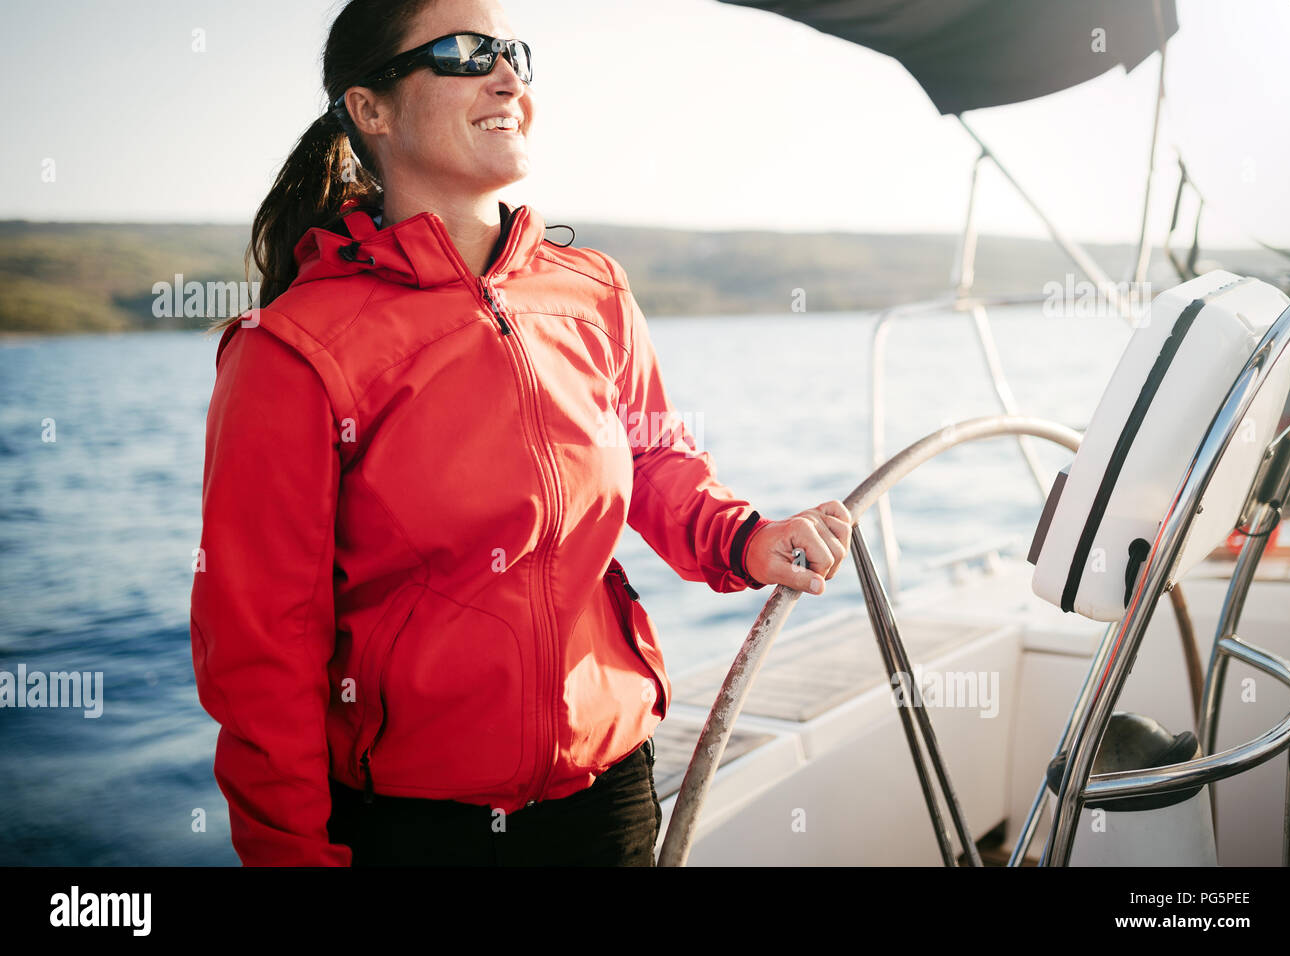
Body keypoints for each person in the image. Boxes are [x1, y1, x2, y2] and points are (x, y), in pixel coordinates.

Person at [190, 0, 852, 867]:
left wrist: (746, 539)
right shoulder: (294, 349)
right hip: (417, 828)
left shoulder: (593, 290)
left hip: (608, 788)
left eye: (513, 54)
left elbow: (654, 457)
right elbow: (261, 645)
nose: (508, 78)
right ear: (370, 108)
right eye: (464, 54)